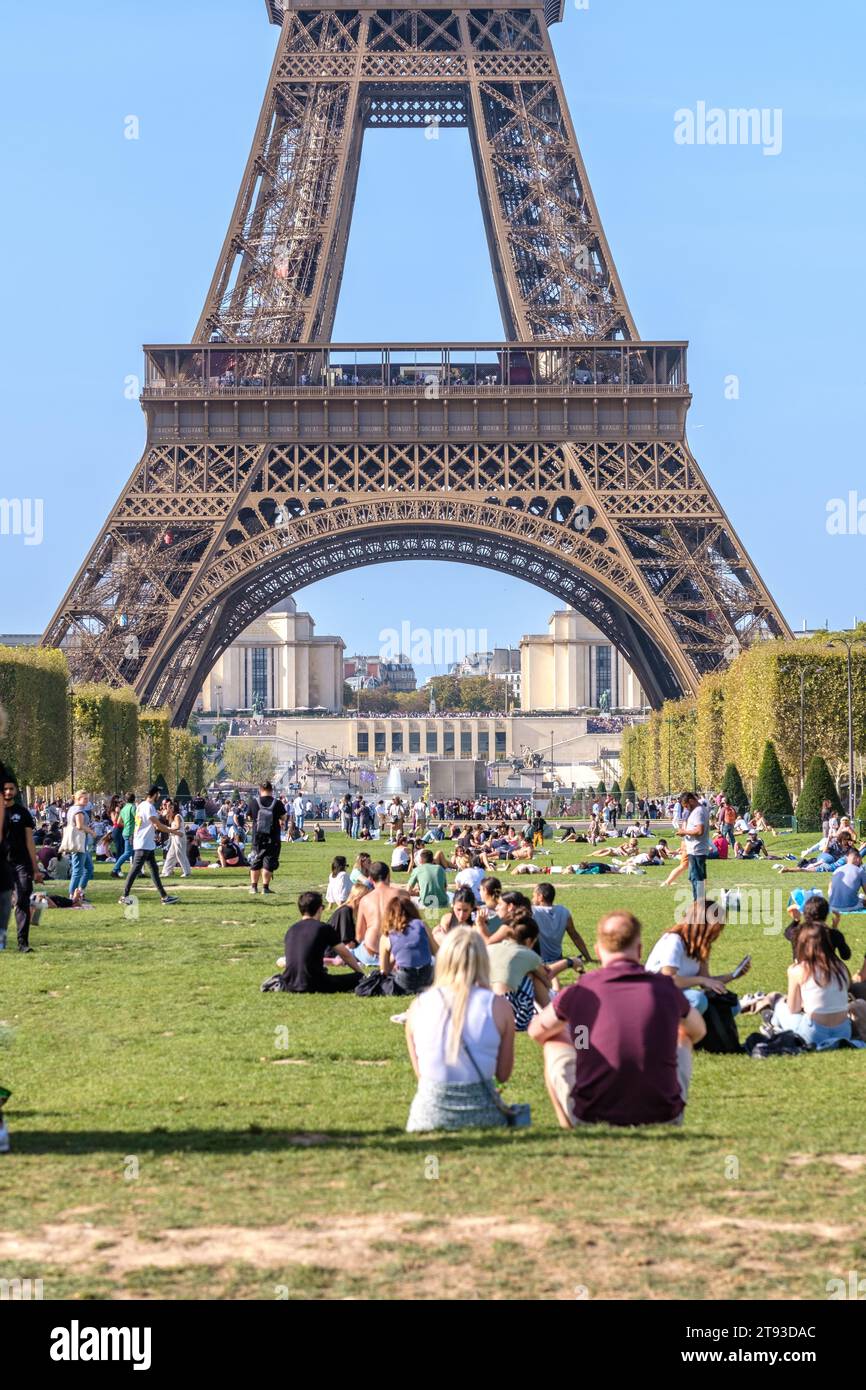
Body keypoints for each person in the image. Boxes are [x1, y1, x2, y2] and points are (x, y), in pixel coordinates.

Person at [529, 910, 706, 1127]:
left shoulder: (582, 989)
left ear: (598, 951)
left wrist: (578, 1040)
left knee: (553, 1041)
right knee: (683, 1036)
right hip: (664, 1115)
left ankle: (569, 1124)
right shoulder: (665, 988)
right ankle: (671, 1105)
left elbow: (536, 1031)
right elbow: (698, 1030)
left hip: (592, 1114)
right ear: (640, 950)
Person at [404, 928, 517, 1131]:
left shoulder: (418, 1007)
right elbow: (503, 1074)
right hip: (484, 1115)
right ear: (483, 960)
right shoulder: (499, 1007)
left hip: (428, 1117)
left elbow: (421, 1074)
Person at [644, 900, 747, 1015]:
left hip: (678, 994)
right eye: (717, 928)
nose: (718, 933)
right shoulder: (674, 941)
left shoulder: (701, 946)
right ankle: (677, 1031)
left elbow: (706, 983)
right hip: (656, 995)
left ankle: (704, 1032)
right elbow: (670, 979)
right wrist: (702, 980)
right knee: (697, 1000)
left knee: (731, 1004)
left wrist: (733, 975)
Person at [769, 923, 856, 1049]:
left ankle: (773, 1027)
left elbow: (793, 1008)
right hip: (844, 1031)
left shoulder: (798, 970)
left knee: (780, 1006)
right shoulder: (840, 967)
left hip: (813, 1032)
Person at [279, 890, 364, 992]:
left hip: (289, 983)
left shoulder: (291, 929)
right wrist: (360, 973)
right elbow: (345, 954)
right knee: (357, 978)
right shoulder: (323, 928)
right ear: (319, 909)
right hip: (315, 983)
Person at [118, 787, 181, 907]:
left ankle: (164, 897)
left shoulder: (142, 805)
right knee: (135, 870)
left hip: (146, 843)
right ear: (155, 794)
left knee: (154, 870)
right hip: (143, 844)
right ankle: (124, 896)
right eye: (158, 794)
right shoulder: (149, 807)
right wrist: (174, 831)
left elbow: (153, 824)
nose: (159, 796)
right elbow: (157, 825)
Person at [2, 777, 41, 952]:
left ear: (16, 791)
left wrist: (35, 868)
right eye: (5, 789)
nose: (8, 792)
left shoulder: (23, 813)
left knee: (23, 899)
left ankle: (23, 943)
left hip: (20, 864)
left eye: (11, 789)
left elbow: (30, 842)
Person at [379, 896, 437, 994]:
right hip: (427, 978)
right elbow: (437, 952)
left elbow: (384, 971)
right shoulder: (422, 925)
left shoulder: (387, 936)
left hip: (404, 980)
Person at [352, 861, 407, 966]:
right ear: (388, 876)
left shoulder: (365, 900)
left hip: (371, 953)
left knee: (349, 951)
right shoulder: (402, 895)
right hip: (396, 953)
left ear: (371, 879)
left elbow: (359, 936)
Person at [530, 882, 592, 965]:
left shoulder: (533, 912)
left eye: (533, 896)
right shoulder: (563, 911)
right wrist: (588, 958)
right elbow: (575, 936)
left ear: (540, 897)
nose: (532, 899)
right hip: (557, 958)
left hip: (539, 960)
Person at [247, 781, 286, 896]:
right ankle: (265, 887)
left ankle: (254, 887)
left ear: (260, 790)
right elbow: (283, 817)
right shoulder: (277, 803)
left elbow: (249, 816)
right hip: (272, 838)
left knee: (256, 861)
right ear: (271, 790)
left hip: (257, 838)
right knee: (268, 862)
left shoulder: (254, 803)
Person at [677, 791, 709, 901]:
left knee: (697, 879)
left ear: (691, 801)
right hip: (695, 850)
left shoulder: (698, 812)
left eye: (686, 806)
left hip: (697, 850)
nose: (686, 808)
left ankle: (699, 904)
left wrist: (684, 832)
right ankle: (698, 902)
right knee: (694, 878)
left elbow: (699, 830)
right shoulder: (698, 810)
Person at [66, 790, 94, 902]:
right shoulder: (78, 810)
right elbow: (79, 825)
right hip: (78, 843)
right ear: (78, 799)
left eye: (87, 798)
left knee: (89, 868)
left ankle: (79, 892)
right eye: (85, 798)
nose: (87, 800)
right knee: (78, 870)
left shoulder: (74, 809)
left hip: (82, 843)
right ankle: (72, 896)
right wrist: (92, 831)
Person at [828, 848, 866, 924]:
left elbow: (829, 892)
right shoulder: (860, 871)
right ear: (858, 859)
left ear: (846, 858)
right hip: (849, 906)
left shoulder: (837, 870)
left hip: (832, 906)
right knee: (862, 898)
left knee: (860, 896)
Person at [329, 881, 369, 946]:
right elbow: (347, 942)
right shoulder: (345, 911)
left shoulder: (350, 911)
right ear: (358, 899)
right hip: (333, 953)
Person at [162, 800, 191, 878]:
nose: (166, 807)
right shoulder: (172, 816)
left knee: (180, 854)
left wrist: (169, 829)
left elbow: (178, 827)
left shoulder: (177, 816)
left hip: (179, 837)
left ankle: (187, 872)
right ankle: (166, 872)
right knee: (170, 855)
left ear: (172, 808)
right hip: (175, 837)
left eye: (168, 806)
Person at [111, 792, 137, 878]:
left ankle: (137, 871)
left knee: (134, 852)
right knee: (128, 853)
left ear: (126, 800)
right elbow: (137, 819)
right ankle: (115, 869)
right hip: (131, 833)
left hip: (125, 832)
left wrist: (126, 824)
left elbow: (118, 822)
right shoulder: (133, 807)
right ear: (134, 799)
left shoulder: (124, 809)